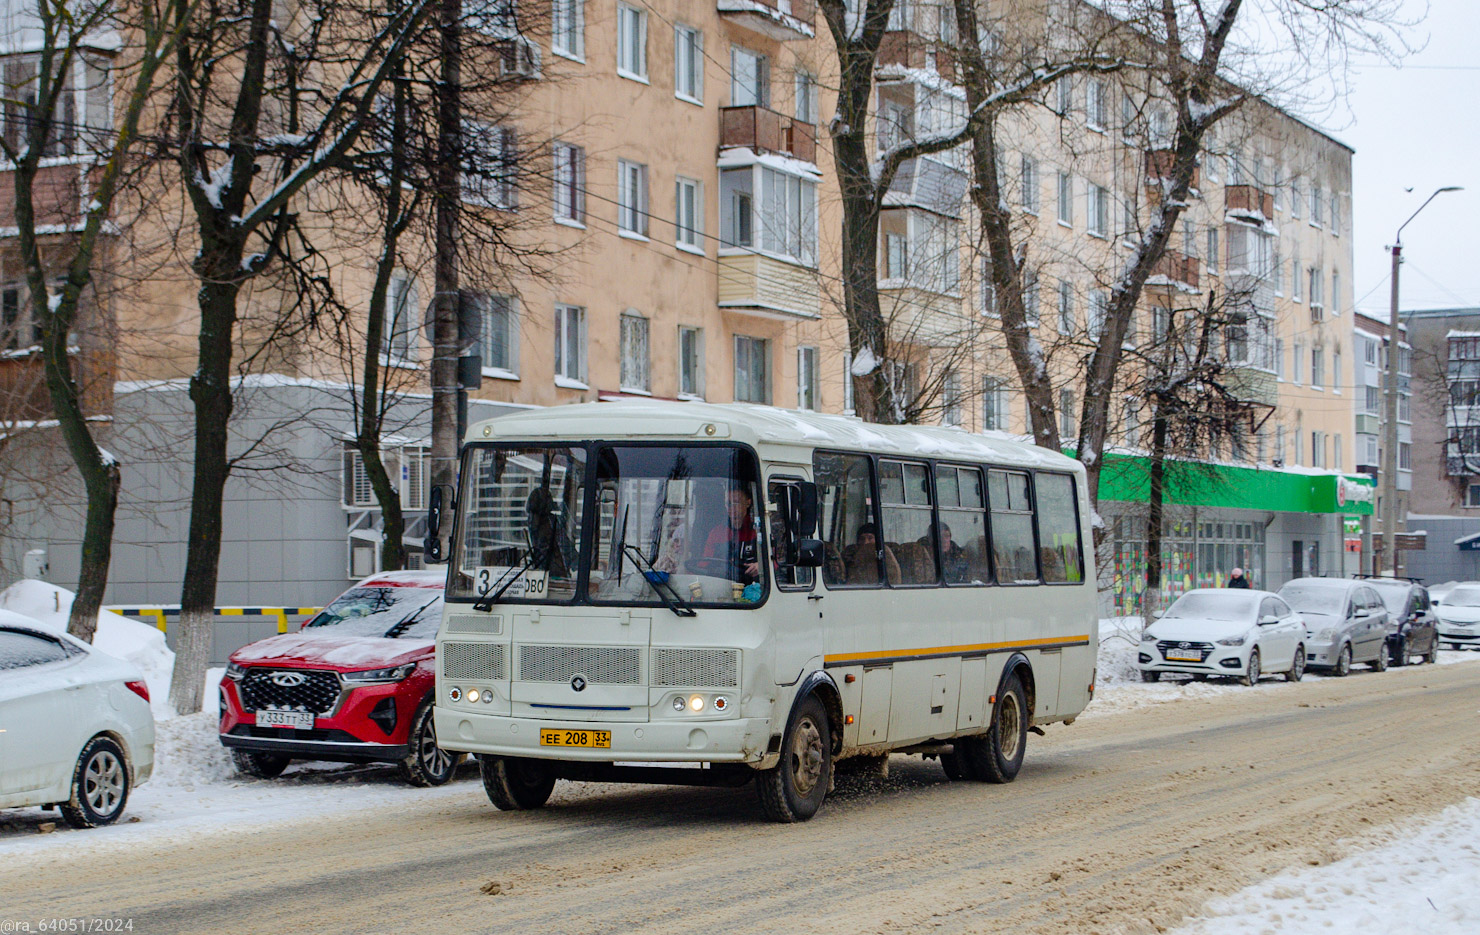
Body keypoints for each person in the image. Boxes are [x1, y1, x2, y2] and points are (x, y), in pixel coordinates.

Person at [699, 486, 760, 584]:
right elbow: (704, 564)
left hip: (754, 588)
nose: (732, 508)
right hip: (722, 586)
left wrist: (759, 566)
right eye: (728, 504)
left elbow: (774, 563)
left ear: (748, 503)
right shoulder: (716, 533)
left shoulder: (758, 531)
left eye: (736, 502)